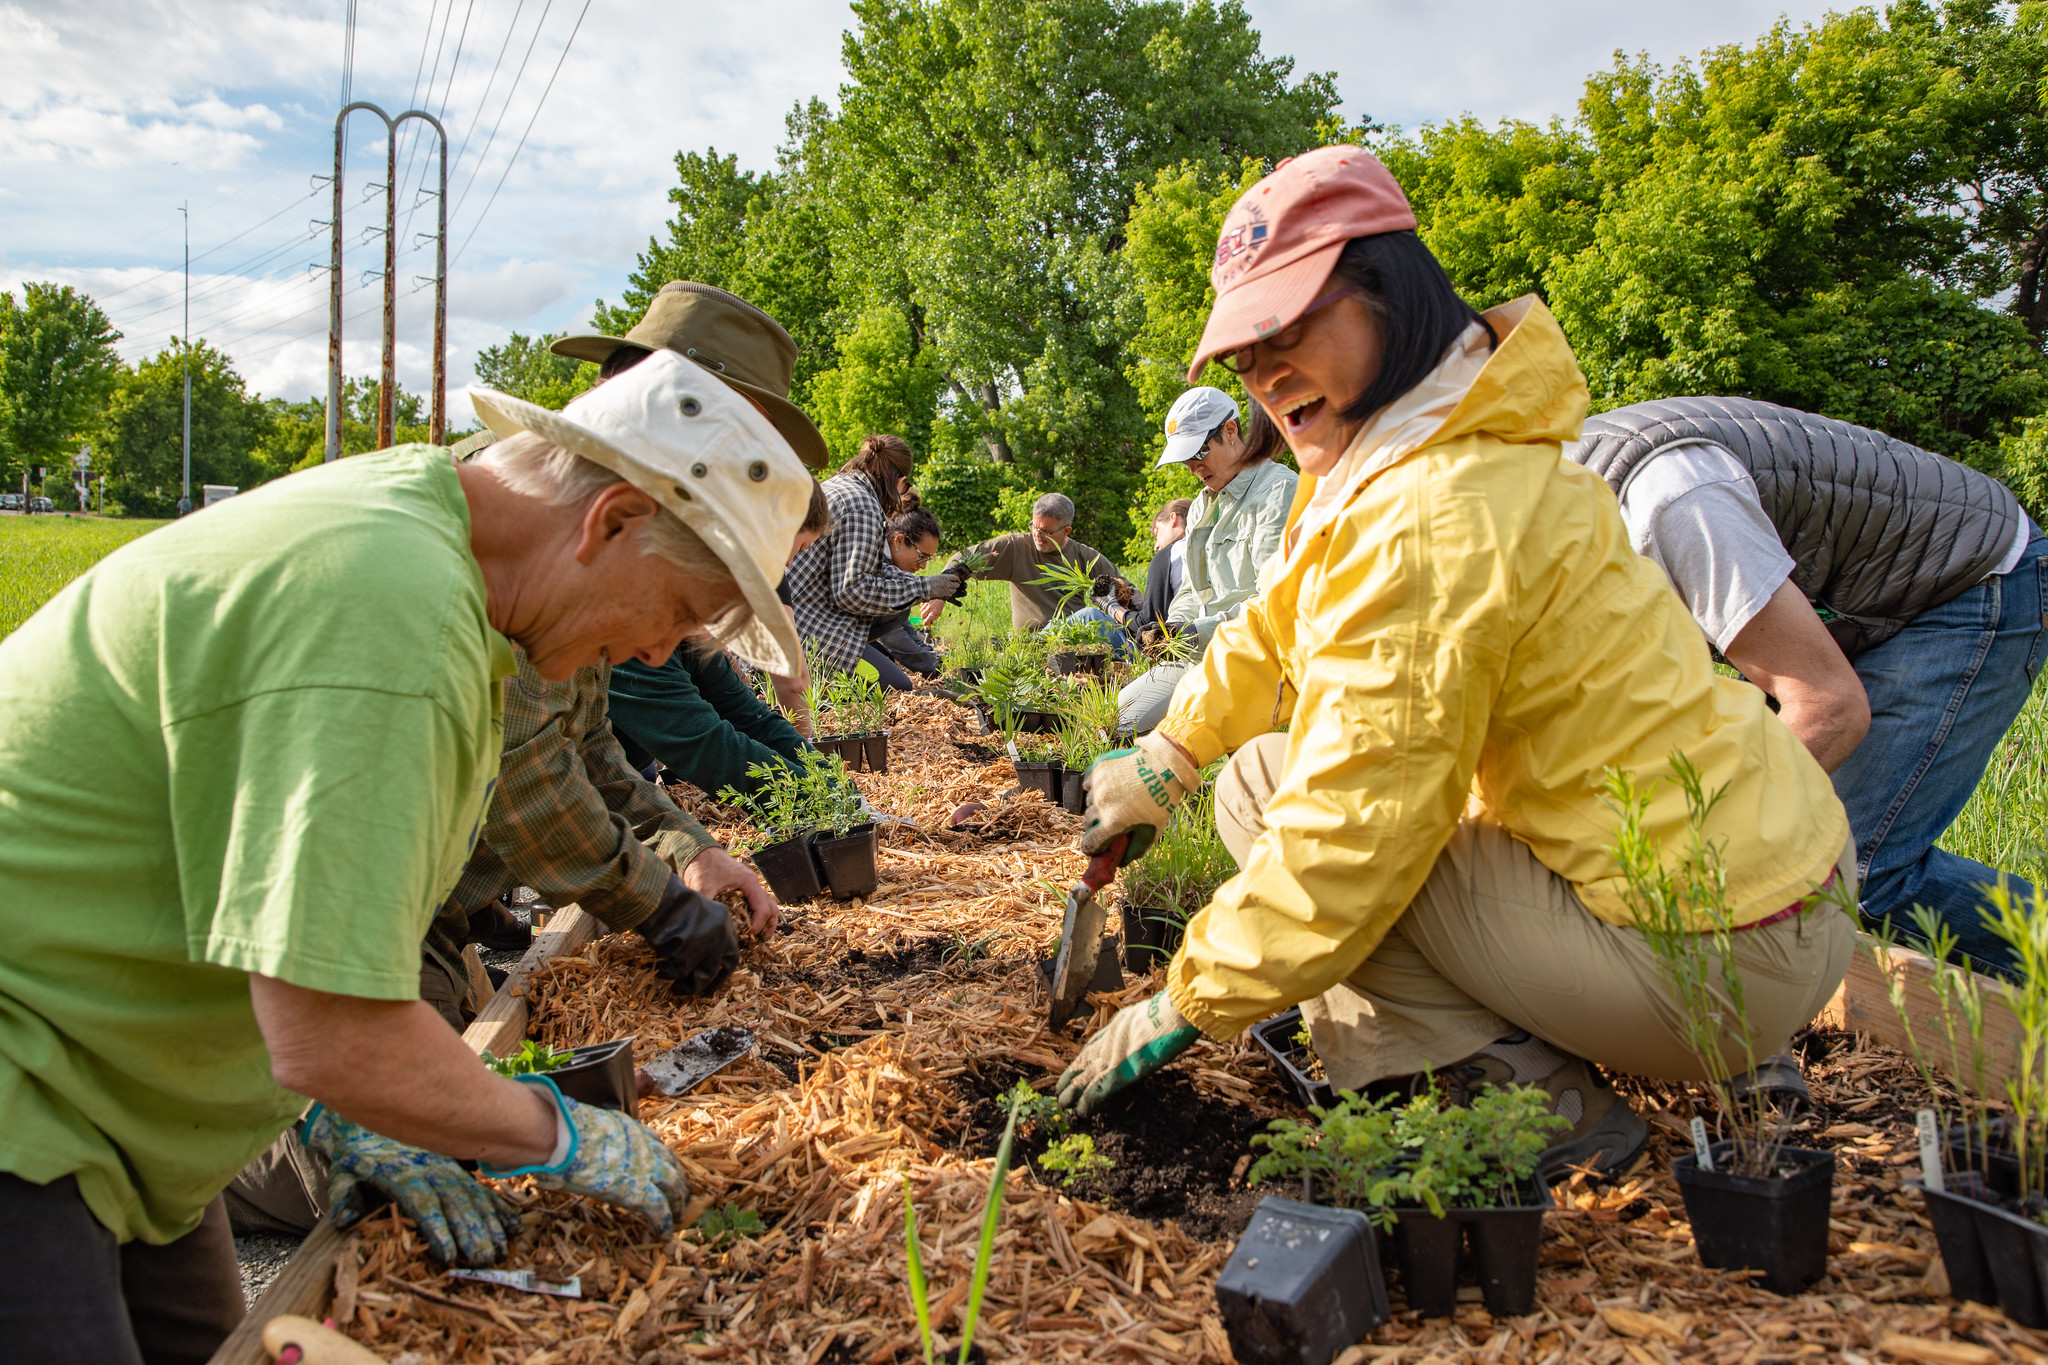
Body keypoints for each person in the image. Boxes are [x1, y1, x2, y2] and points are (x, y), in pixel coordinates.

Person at [1061, 147, 1855, 1179]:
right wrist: (1169, 753)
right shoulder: (1418, 441)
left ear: (1389, 295)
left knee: (1305, 829)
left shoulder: (1427, 511)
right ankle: (1643, 1043)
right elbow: (1275, 622)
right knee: (1257, 774)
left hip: (1713, 946)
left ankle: (1546, 1108)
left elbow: (1354, 838)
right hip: (1764, 880)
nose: (1262, 373)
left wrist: (1184, 1001)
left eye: (1291, 326)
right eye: (1246, 351)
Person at [0, 348, 811, 1358]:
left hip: (128, 1108)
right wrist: (557, 1134)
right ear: (611, 523)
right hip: (31, 1083)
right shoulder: (390, 616)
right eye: (680, 613)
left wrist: (332, 1112)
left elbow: (286, 908)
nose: (658, 652)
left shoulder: (430, 544)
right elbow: (331, 1030)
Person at [1566, 398, 2047, 973]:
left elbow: (1827, 706)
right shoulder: (1543, 506)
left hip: (1967, 580)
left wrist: (1686, 845)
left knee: (1857, 868)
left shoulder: (1668, 504)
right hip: (1854, 601)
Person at [609, 481, 835, 801]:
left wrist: (832, 785)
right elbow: (704, 744)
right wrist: (820, 799)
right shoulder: (632, 608)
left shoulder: (680, 611)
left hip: (631, 767)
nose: (786, 567)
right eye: (797, 549)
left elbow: (742, 712)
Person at [1117, 388, 1297, 733]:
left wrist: (1192, 633)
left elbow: (1275, 604)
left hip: (1254, 659)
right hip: (1198, 653)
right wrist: (1171, 632)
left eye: (1198, 451)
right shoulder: (1202, 504)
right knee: (1115, 719)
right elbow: (1191, 590)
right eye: (1185, 458)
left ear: (1231, 431)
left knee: (1150, 729)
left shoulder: (1279, 492)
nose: (1192, 467)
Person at [786, 434, 970, 686]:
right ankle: (821, 679)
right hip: (808, 631)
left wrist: (930, 585)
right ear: (901, 481)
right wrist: (926, 588)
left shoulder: (842, 486)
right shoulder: (863, 505)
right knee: (898, 686)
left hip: (797, 614)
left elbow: (874, 568)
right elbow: (851, 591)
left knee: (898, 611)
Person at [933, 493, 1132, 641]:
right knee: (1090, 615)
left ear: (1066, 531)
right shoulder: (1015, 547)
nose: (1037, 535)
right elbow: (964, 558)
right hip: (1033, 641)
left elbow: (1125, 589)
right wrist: (941, 592)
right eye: (1034, 527)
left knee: (1096, 619)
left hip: (1075, 637)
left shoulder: (1084, 556)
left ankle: (1138, 666)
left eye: (1045, 531)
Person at [863, 507, 946, 681]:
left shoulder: (890, 566)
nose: (923, 566)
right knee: (898, 683)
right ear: (899, 540)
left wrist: (928, 654)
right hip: (832, 643)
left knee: (886, 659)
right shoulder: (874, 562)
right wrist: (935, 667)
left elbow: (899, 619)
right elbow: (892, 636)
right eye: (922, 556)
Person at [1124, 497, 1193, 642]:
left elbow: (1148, 624)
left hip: (1176, 642)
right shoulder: (1211, 548)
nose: (1156, 546)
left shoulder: (1169, 554)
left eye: (1158, 532)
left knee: (1090, 615)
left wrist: (1111, 608)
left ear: (1173, 518)